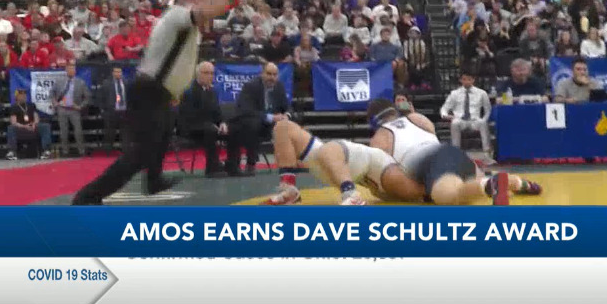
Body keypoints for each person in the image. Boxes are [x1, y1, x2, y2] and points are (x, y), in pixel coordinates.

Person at [72, 0, 247, 205]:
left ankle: (154, 178)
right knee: (139, 154)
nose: (209, 2)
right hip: (149, 91)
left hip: (158, 92)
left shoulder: (178, 19)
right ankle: (87, 197)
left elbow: (212, 11)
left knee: (161, 136)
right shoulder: (178, 15)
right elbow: (211, 10)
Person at [367, 98, 542, 205]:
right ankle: (519, 183)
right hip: (452, 153)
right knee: (471, 181)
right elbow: (432, 137)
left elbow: (392, 177)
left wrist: (382, 193)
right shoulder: (416, 118)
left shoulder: (379, 138)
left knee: (451, 196)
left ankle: (491, 185)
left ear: (373, 122)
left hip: (430, 164)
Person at [261, 119, 420, 205]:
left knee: (415, 192)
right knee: (282, 126)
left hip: (371, 166)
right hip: (346, 164)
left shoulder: (391, 144)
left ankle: (351, 194)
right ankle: (289, 189)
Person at [226, 62, 291, 176]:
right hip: (255, 123)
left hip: (273, 124)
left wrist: (287, 115)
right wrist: (271, 117)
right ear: (262, 74)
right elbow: (247, 110)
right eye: (269, 74)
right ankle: (251, 163)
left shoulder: (279, 87)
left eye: (274, 75)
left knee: (292, 124)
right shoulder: (251, 86)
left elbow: (287, 107)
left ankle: (294, 162)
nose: (272, 77)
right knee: (253, 124)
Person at [178, 61, 230, 178]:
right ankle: (212, 168)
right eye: (206, 73)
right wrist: (212, 125)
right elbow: (190, 117)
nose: (210, 76)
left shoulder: (212, 92)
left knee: (232, 129)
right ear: (198, 74)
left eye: (212, 73)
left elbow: (217, 113)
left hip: (208, 126)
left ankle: (232, 164)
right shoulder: (189, 92)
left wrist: (222, 123)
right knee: (210, 130)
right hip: (191, 128)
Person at [440, 70, 492, 154]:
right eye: (464, 79)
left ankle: (487, 150)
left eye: (469, 79)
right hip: (460, 119)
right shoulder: (454, 93)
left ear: (473, 80)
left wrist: (484, 119)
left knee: (483, 123)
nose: (466, 82)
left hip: (475, 120)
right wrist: (445, 115)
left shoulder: (482, 93)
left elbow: (488, 109)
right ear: (460, 80)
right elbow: (444, 108)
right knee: (454, 123)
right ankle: (456, 151)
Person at [51, 63, 90, 157]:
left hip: (74, 109)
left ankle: (81, 150)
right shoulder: (59, 81)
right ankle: (65, 151)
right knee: (63, 131)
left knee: (78, 130)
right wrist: (55, 102)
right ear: (66, 70)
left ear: (75, 71)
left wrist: (80, 106)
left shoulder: (80, 83)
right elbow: (52, 93)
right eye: (69, 69)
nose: (71, 71)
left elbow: (87, 97)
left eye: (73, 69)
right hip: (62, 109)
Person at [6, 89, 52, 160]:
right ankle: (11, 152)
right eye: (21, 95)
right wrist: (24, 126)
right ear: (17, 97)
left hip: (32, 127)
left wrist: (34, 124)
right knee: (11, 128)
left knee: (45, 126)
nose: (23, 96)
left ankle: (46, 151)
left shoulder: (31, 105)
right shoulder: (14, 107)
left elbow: (36, 117)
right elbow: (13, 122)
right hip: (21, 128)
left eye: (24, 95)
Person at [99, 66, 129, 153]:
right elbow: (101, 98)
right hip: (111, 111)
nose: (118, 74)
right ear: (112, 73)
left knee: (125, 132)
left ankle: (125, 150)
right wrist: (103, 110)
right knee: (110, 132)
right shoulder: (106, 83)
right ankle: (108, 151)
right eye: (116, 72)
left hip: (124, 111)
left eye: (119, 72)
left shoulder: (126, 82)